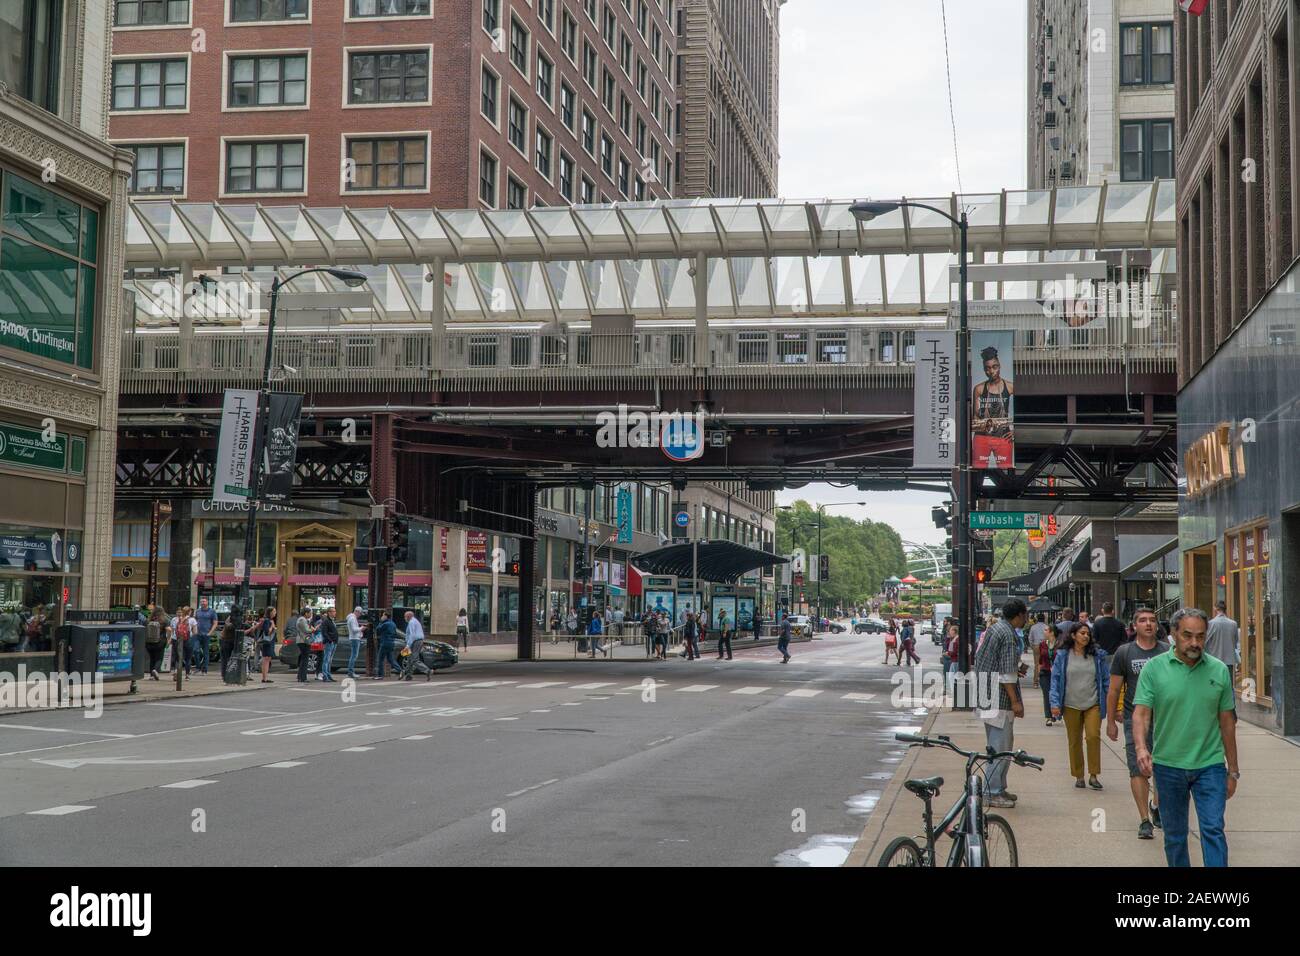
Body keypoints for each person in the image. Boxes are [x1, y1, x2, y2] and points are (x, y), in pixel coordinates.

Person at [1132, 608, 1238, 868]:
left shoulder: (1218, 671)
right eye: (1187, 635)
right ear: (1173, 634)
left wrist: (1232, 770)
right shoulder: (1154, 669)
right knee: (1175, 835)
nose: (1194, 643)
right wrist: (1141, 748)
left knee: (1213, 830)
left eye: (1200, 637)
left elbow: (1227, 723)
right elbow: (1141, 714)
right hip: (1169, 766)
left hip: (1210, 765)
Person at [1106, 607, 1169, 840]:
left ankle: (1157, 806)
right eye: (1143, 620)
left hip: (1164, 719)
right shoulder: (1124, 653)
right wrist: (1111, 721)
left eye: (1152, 620)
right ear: (1134, 626)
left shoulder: (1167, 651)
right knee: (1138, 769)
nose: (1149, 624)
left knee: (1162, 768)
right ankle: (1144, 820)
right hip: (1136, 719)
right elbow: (1113, 690)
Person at [973, 598, 1027, 809]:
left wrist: (1018, 666)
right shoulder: (1007, 635)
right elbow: (1006, 675)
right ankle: (992, 791)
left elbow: (993, 661)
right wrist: (1016, 702)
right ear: (1020, 615)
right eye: (1025, 615)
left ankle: (998, 788)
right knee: (1000, 748)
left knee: (998, 745)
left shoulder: (996, 629)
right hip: (998, 700)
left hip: (986, 695)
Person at [1050, 620, 1110, 791]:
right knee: (1074, 741)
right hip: (1070, 704)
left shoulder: (1098, 656)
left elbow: (1106, 680)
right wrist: (1054, 703)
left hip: (1093, 703)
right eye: (1082, 633)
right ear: (1073, 635)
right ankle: (1079, 776)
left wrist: (1109, 701)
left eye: (1088, 633)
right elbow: (1055, 680)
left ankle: (1093, 775)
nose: (1086, 636)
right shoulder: (1063, 656)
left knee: (1092, 737)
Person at [971, 344, 1014, 469]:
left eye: (994, 367)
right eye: (988, 368)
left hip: (1003, 437)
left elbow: (1019, 410)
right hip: (982, 437)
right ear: (984, 369)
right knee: (977, 473)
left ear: (999, 366)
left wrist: (1015, 430)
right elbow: (975, 416)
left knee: (1006, 472)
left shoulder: (1010, 387)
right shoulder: (979, 389)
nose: (991, 371)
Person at [1204, 601, 1240, 674]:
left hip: (1215, 659)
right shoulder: (1233, 624)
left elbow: (1205, 640)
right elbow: (1235, 641)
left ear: (1215, 608)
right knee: (1228, 682)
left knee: (1215, 683)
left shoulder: (1211, 623)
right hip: (1229, 659)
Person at [247, 607, 276, 684]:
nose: (275, 613)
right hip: (267, 642)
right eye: (274, 611)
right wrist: (272, 627)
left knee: (267, 659)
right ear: (270, 612)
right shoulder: (267, 621)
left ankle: (265, 677)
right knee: (266, 659)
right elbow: (267, 632)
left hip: (270, 642)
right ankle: (264, 678)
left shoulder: (269, 620)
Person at [172, 605, 197, 679]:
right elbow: (195, 632)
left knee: (178, 657)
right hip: (188, 640)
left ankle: (176, 671)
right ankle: (187, 675)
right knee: (188, 658)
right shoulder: (192, 620)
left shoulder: (176, 619)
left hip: (177, 639)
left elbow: (173, 629)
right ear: (189, 612)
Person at [194, 597, 217, 675]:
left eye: (204, 601)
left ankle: (205, 669)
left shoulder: (212, 611)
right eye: (201, 602)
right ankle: (198, 667)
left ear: (207, 602)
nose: (202, 603)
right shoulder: (198, 611)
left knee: (205, 652)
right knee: (196, 650)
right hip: (198, 634)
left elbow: (215, 623)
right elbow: (195, 621)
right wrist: (194, 630)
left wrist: (210, 632)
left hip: (206, 634)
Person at [373, 611, 400, 679]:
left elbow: (378, 629)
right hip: (391, 643)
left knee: (380, 659)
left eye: (383, 615)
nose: (382, 617)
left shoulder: (385, 624)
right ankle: (401, 670)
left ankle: (380, 675)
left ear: (386, 616)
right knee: (390, 659)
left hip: (385, 643)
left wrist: (380, 622)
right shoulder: (393, 623)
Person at [400, 610, 425, 679]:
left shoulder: (411, 622)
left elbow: (412, 635)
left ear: (408, 616)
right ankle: (408, 675)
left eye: (405, 616)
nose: (404, 618)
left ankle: (427, 670)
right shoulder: (415, 621)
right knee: (409, 658)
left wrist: (408, 645)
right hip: (416, 641)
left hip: (414, 642)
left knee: (414, 659)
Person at [1027, 613, 1049, 687]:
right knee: (1045, 664)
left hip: (1036, 646)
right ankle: (1045, 681)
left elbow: (1030, 638)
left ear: (1037, 619)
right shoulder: (1047, 627)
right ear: (1044, 619)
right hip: (1045, 646)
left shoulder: (1033, 627)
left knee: (1037, 664)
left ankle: (1035, 682)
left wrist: (1032, 646)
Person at [145, 607, 168, 680]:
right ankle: (155, 669)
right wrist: (169, 639)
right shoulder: (164, 621)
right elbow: (169, 629)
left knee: (152, 658)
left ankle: (151, 675)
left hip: (149, 642)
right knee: (159, 658)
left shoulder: (148, 620)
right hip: (160, 642)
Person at [344, 606, 365, 680]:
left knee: (353, 656)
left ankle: (350, 672)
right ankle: (350, 672)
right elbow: (354, 630)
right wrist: (361, 628)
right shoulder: (353, 618)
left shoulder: (351, 618)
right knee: (354, 656)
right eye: (360, 613)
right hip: (355, 639)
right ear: (357, 611)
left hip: (354, 638)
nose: (360, 615)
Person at [295, 607, 314, 683]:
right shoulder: (302, 619)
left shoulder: (301, 619)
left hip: (302, 640)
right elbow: (306, 630)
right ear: (306, 613)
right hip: (303, 641)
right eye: (310, 613)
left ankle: (300, 676)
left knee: (304, 659)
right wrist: (312, 630)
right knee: (305, 659)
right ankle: (303, 677)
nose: (310, 615)